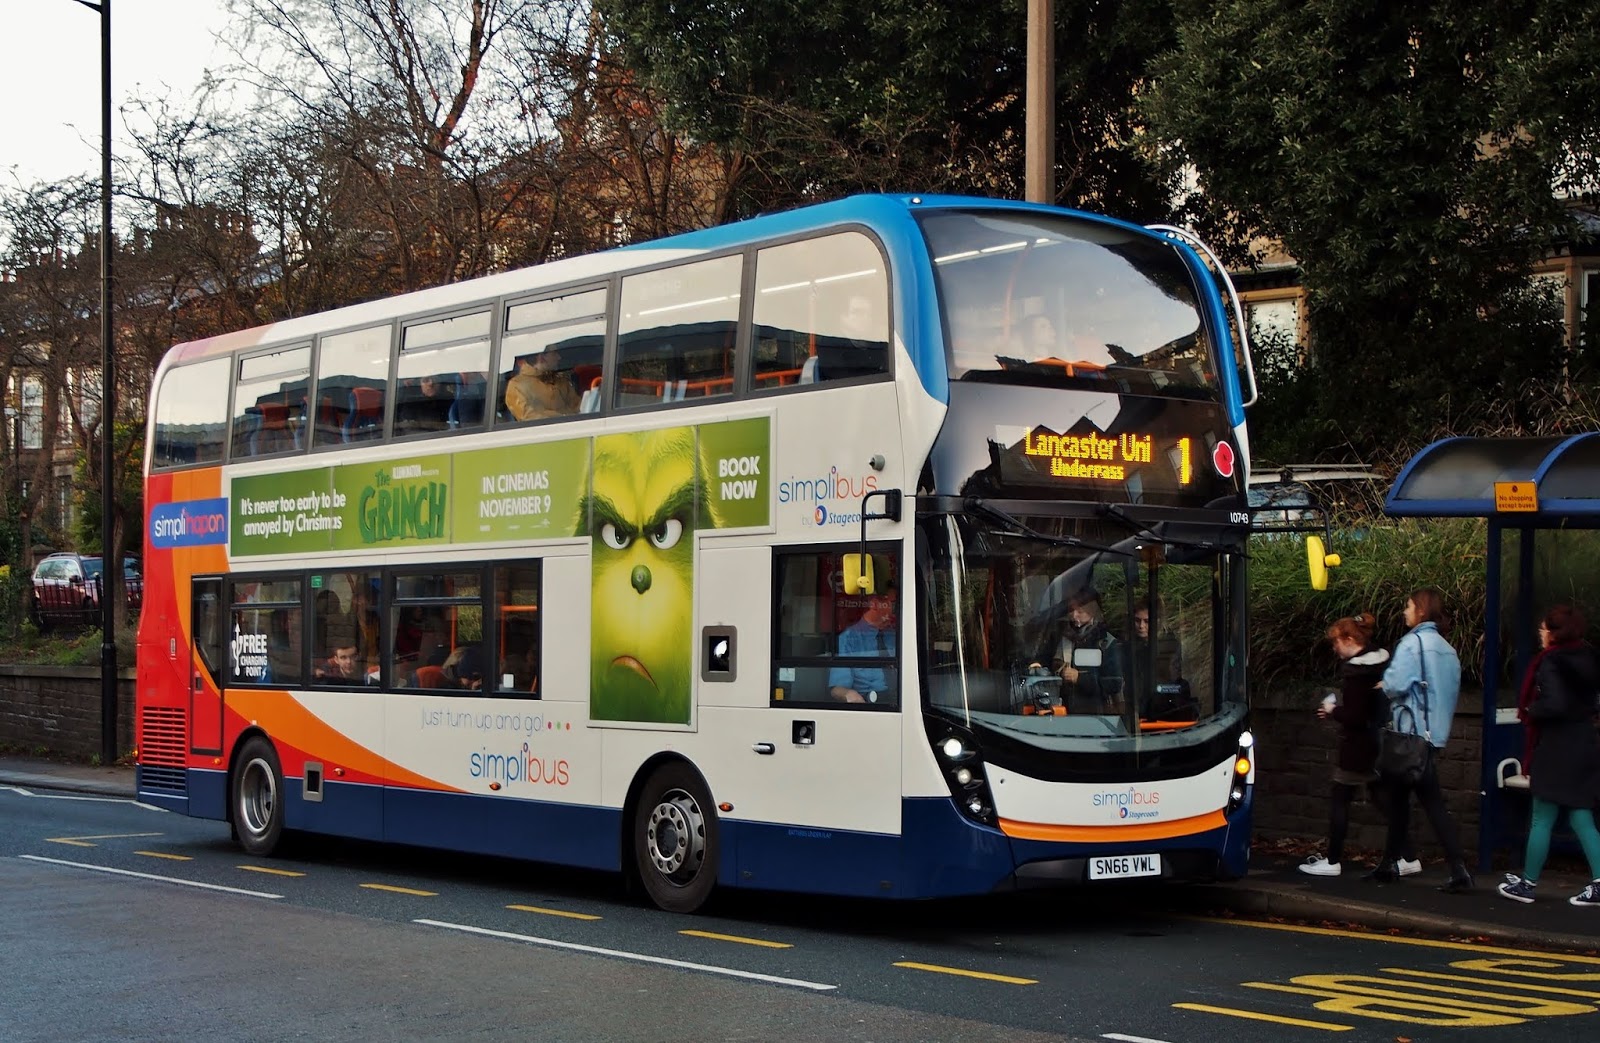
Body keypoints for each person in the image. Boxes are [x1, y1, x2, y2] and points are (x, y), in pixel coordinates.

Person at [1497, 604, 1600, 906]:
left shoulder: (1551, 662)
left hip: (1557, 747)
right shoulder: (1588, 656)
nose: (1540, 633)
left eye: (1544, 628)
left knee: (1542, 816)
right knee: (1581, 814)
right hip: (1584, 742)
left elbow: (1554, 704)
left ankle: (1527, 884)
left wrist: (1531, 710)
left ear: (1555, 633)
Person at [1371, 587, 1472, 892]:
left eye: (1408, 605)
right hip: (1433, 736)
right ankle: (1390, 864)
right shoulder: (1447, 649)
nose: (1405, 610)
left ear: (1421, 611)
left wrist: (1383, 683)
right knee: (1402, 799)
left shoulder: (1412, 644)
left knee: (1428, 802)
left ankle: (1459, 870)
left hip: (1410, 736)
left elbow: (1397, 683)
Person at [1299, 612, 1392, 877]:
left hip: (1357, 747)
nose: (1334, 647)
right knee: (1382, 799)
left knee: (1340, 798)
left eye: (1336, 642)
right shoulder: (1381, 663)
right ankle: (1406, 854)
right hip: (1378, 744)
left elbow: (1355, 716)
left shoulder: (1356, 673)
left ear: (1350, 639)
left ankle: (1332, 860)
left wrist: (1332, 709)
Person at [1034, 589, 1123, 714]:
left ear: (1092, 612)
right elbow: (1044, 659)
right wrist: (1037, 666)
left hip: (1095, 714)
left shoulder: (1105, 642)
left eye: (1080, 612)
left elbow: (1114, 683)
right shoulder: (1060, 637)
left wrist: (1080, 678)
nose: (1074, 615)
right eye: (1071, 610)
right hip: (1059, 709)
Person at [829, 586, 897, 704]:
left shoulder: (895, 636)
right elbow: (837, 689)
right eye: (893, 603)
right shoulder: (849, 638)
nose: (896, 609)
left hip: (905, 699)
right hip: (871, 702)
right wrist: (849, 694)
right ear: (875, 604)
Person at [1129, 603, 1189, 720]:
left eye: (1146, 621)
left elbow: (1171, 681)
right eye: (1137, 620)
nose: (1141, 626)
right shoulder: (1127, 645)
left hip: (1163, 709)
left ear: (1157, 622)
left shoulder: (1169, 646)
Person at [504, 349, 579, 421]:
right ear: (541, 357)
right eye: (554, 353)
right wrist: (561, 416)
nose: (559, 357)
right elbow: (529, 417)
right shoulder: (517, 385)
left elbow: (578, 407)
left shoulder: (560, 380)